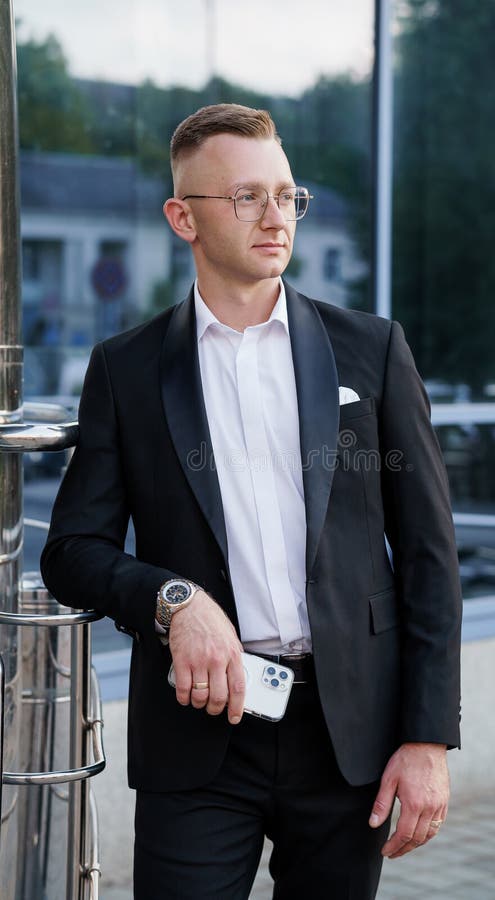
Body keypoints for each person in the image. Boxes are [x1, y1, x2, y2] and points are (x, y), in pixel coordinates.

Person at [41, 103, 462, 900]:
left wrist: (428, 736)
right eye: (245, 198)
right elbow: (72, 552)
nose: (276, 217)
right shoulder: (127, 370)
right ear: (182, 218)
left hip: (349, 733)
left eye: (286, 195)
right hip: (198, 733)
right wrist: (172, 599)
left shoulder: (371, 351)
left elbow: (430, 554)